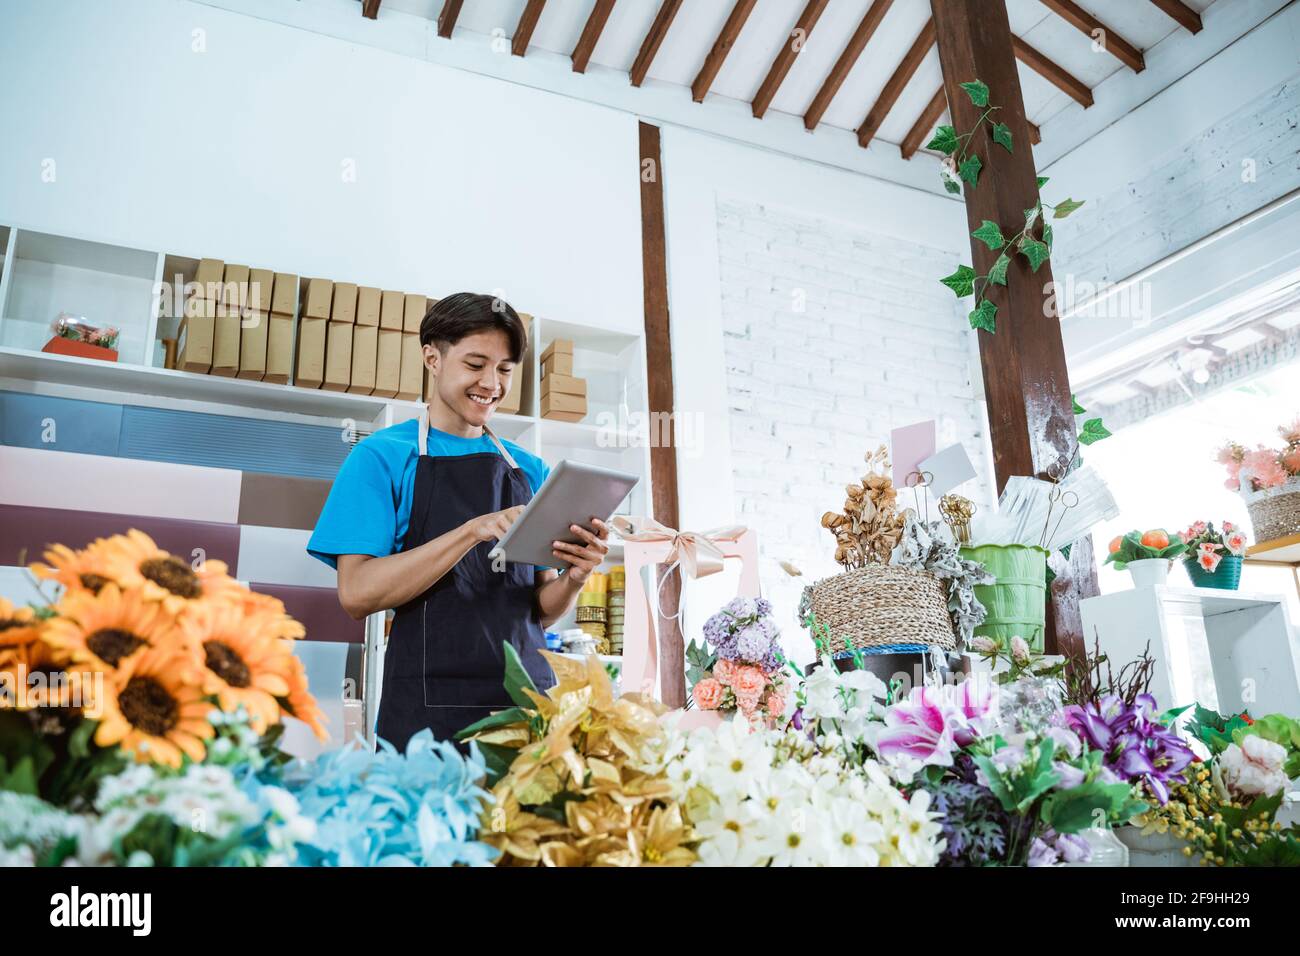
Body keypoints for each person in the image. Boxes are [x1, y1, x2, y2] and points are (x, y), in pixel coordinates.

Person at [307, 292, 609, 749]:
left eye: (505, 369)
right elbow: (357, 594)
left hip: (526, 705)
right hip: (429, 711)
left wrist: (574, 577)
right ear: (432, 357)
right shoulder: (382, 457)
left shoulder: (530, 470)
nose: (492, 383)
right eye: (475, 364)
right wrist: (471, 531)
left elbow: (538, 608)